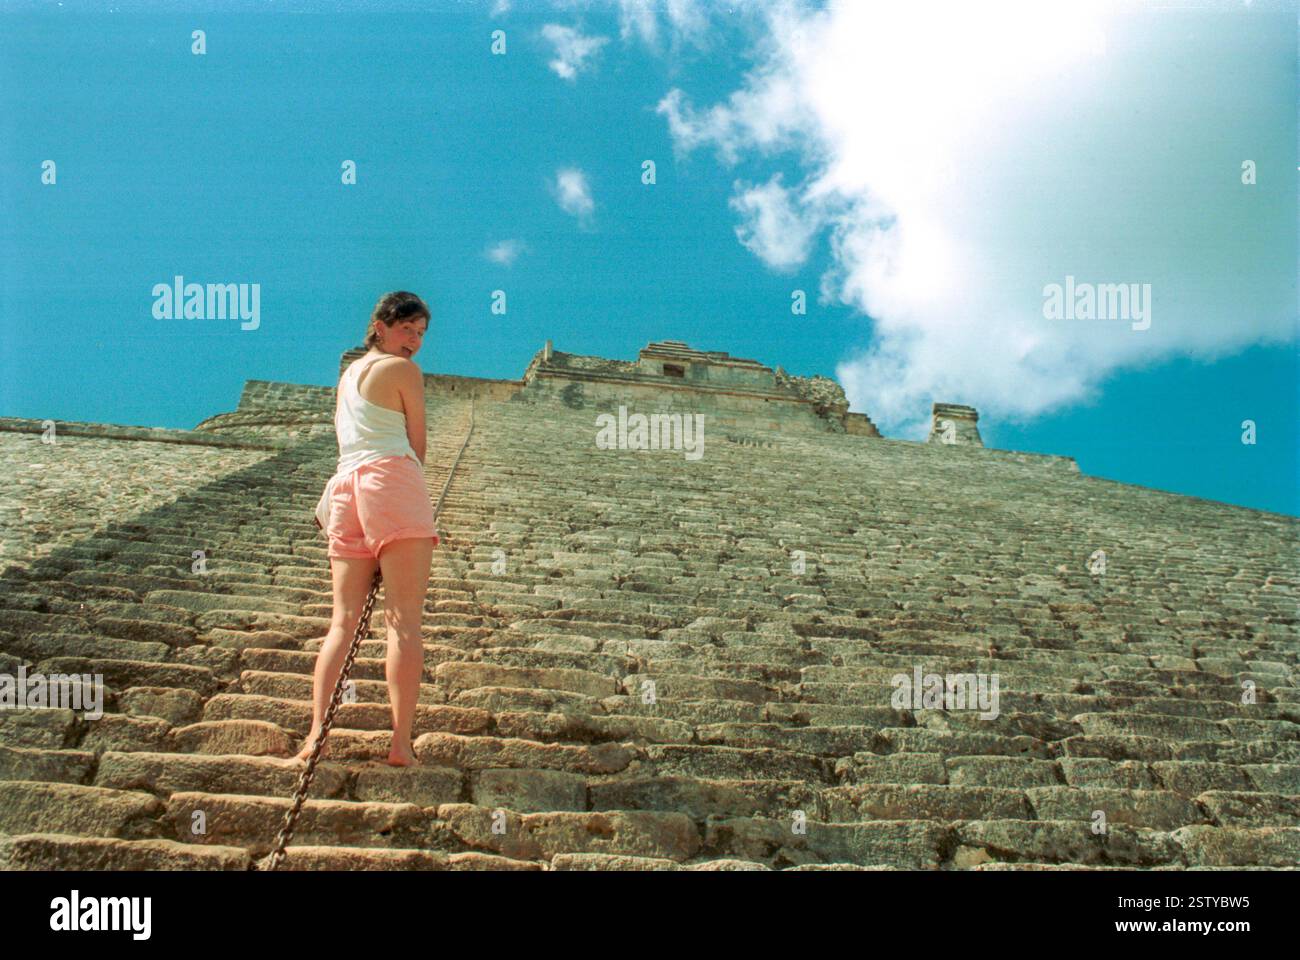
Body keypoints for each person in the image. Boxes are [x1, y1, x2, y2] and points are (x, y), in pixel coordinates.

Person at [295, 291, 438, 767]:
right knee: (404, 620)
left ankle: (316, 737)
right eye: (406, 330)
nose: (414, 342)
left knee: (342, 622)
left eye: (420, 334)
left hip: (343, 491)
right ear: (380, 324)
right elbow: (417, 444)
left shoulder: (348, 376)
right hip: (391, 481)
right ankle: (400, 744)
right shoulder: (405, 372)